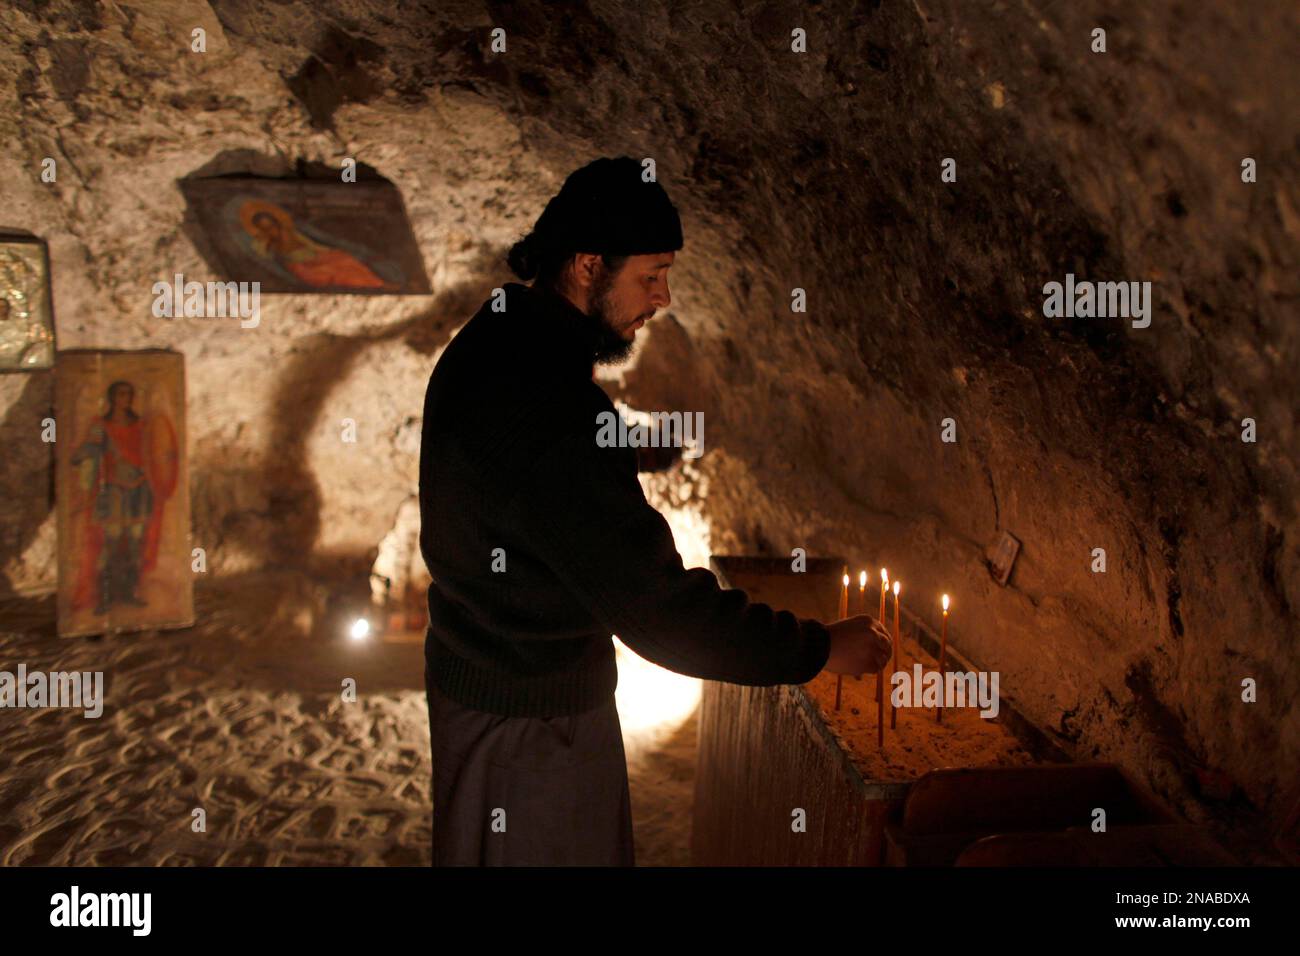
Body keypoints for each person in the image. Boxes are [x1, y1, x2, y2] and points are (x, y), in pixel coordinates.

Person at [418, 156, 891, 866]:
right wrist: (819, 649)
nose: (663, 297)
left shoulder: (501, 332)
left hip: (480, 678)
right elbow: (658, 611)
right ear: (587, 264)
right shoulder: (552, 403)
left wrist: (641, 451)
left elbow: (528, 478)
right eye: (651, 275)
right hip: (531, 724)